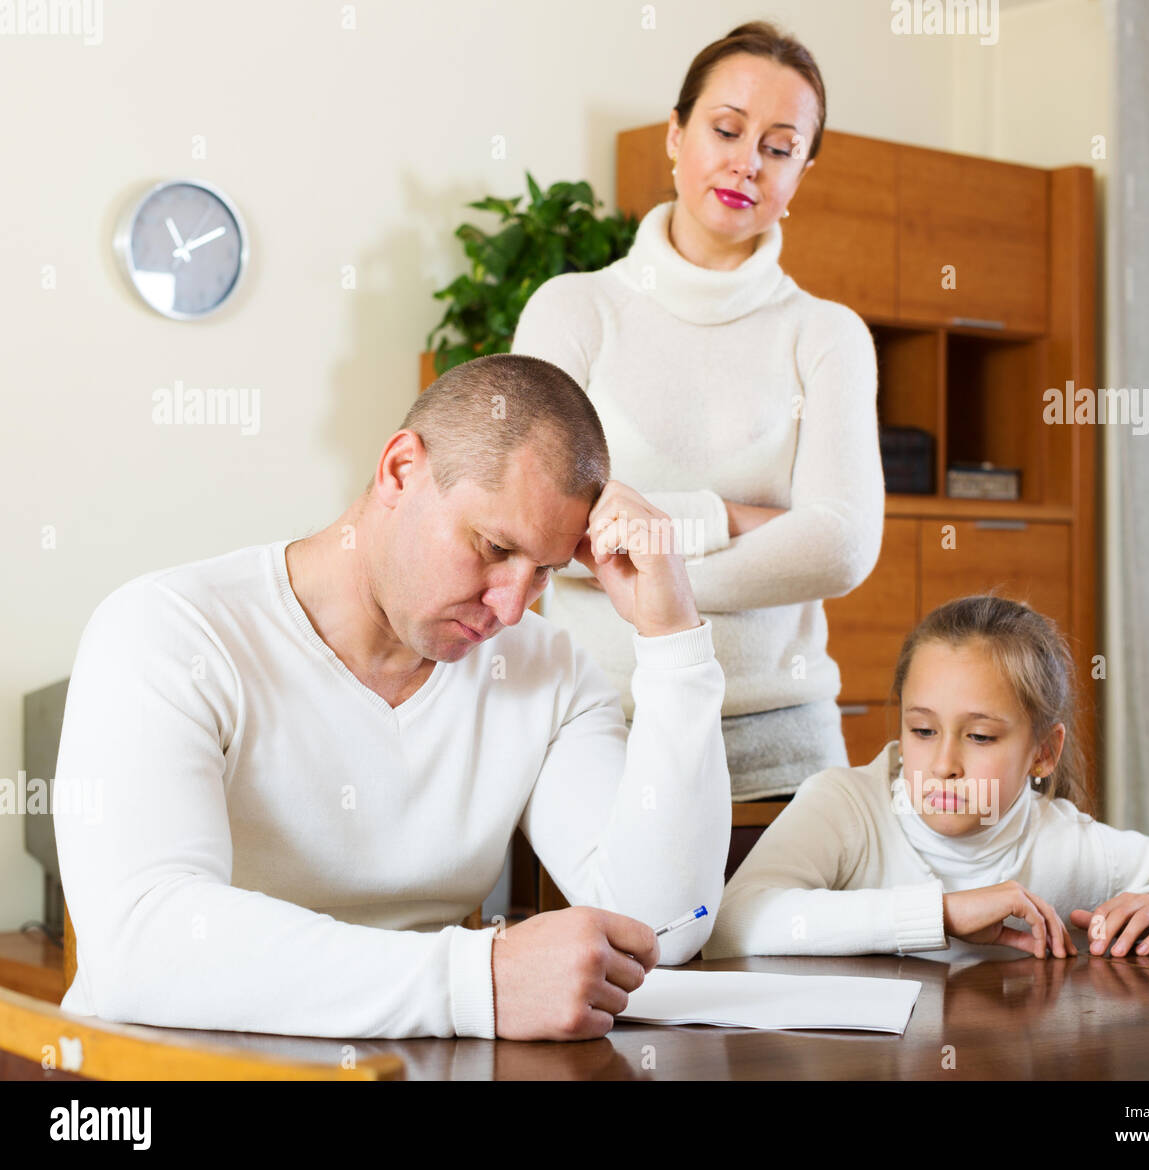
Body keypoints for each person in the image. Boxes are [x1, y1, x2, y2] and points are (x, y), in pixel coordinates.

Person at [53, 353, 731, 1042]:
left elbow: (661, 927)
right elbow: (140, 944)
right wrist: (474, 981)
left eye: (545, 573)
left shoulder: (545, 674)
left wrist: (673, 636)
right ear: (401, 470)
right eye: (495, 546)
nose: (512, 605)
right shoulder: (167, 630)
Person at [510, 20, 884, 800]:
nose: (747, 162)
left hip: (785, 742)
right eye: (725, 129)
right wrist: (749, 522)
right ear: (676, 135)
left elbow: (842, 547)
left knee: (804, 926)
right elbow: (539, 519)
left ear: (801, 172)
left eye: (780, 148)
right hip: (599, 730)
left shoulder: (827, 336)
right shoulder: (573, 312)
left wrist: (637, 564)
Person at [704, 594, 1149, 959]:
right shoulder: (846, 806)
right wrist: (942, 913)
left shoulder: (1065, 844)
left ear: (1044, 753)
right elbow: (734, 923)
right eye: (922, 731)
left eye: (979, 737)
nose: (944, 763)